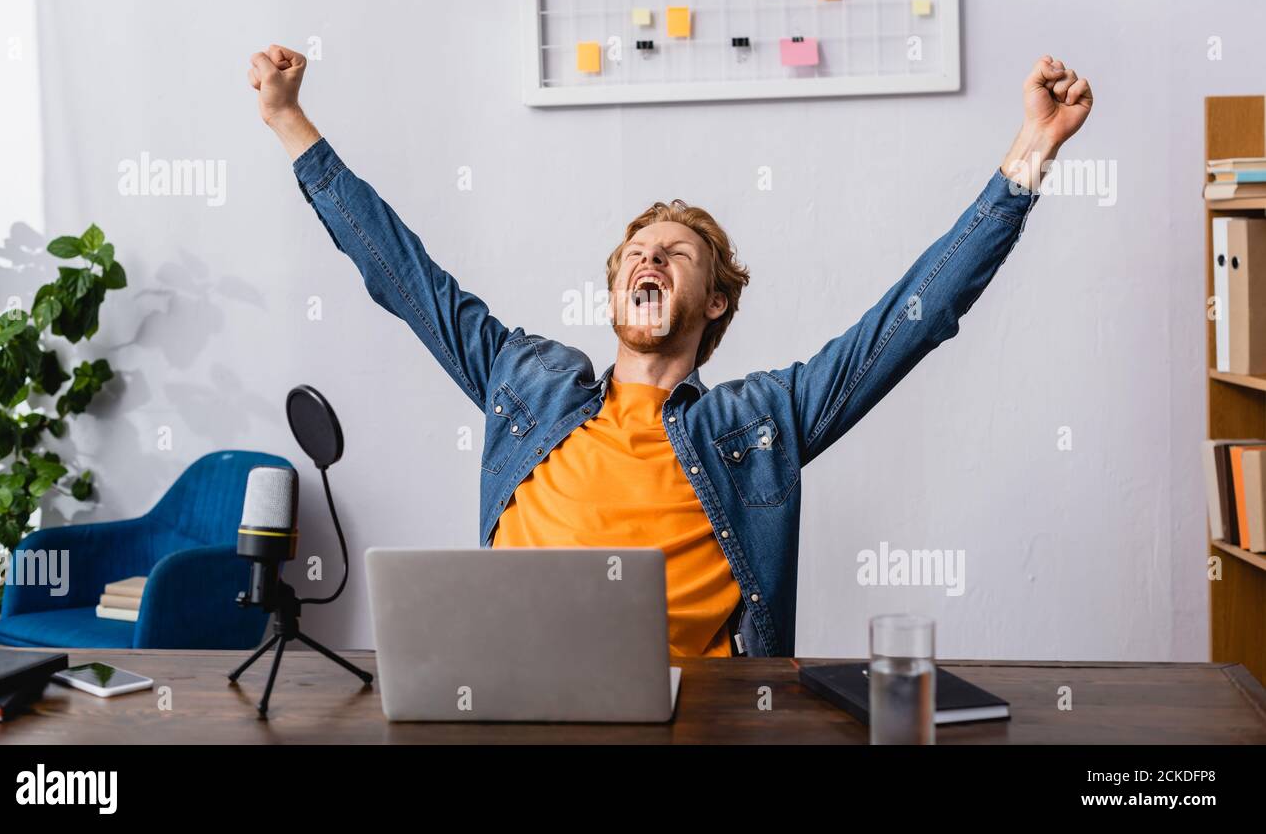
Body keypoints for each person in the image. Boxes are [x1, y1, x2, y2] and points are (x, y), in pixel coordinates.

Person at [248, 46, 1093, 658]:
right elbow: (403, 274)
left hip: (697, 715)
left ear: (715, 301)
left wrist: (1030, 154)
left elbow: (913, 317)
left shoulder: (763, 418)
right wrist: (290, 122)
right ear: (615, 288)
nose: (649, 258)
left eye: (676, 253)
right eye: (636, 253)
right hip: (513, 697)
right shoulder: (525, 380)